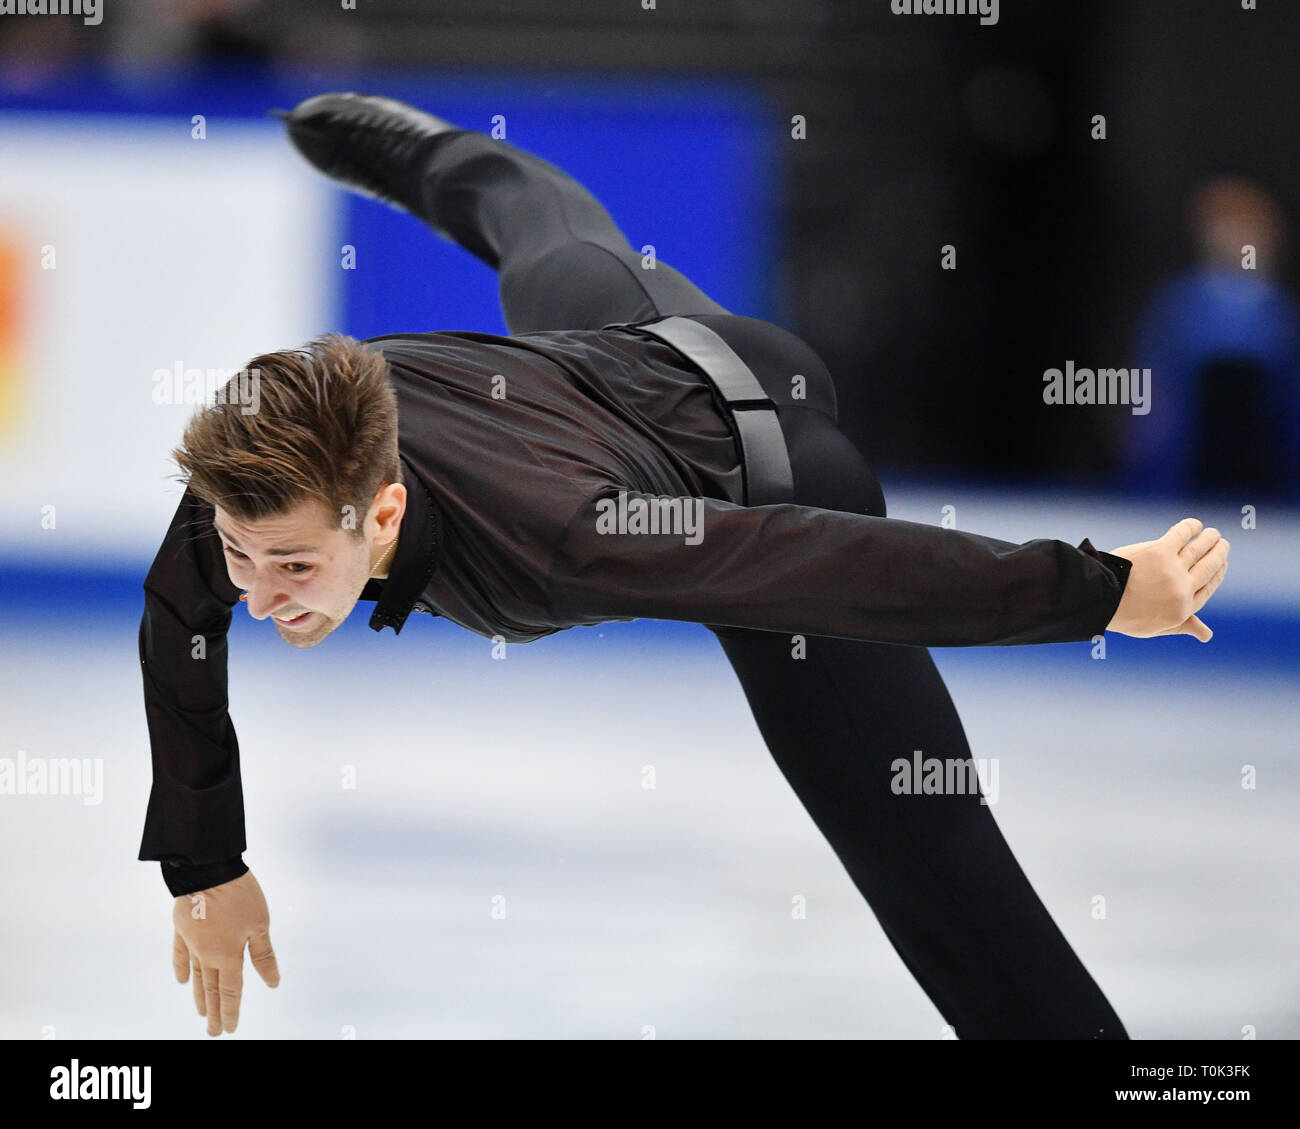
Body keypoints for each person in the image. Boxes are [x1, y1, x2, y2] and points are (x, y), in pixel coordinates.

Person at [142, 93, 1231, 1039]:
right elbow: (178, 619)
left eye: (288, 565)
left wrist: (1102, 588)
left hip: (766, 476)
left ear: (381, 512)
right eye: (239, 553)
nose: (252, 589)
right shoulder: (251, 492)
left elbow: (835, 561)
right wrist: (206, 863)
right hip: (619, 348)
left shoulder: (568, 539)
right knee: (536, 226)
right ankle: (402, 146)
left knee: (927, 855)